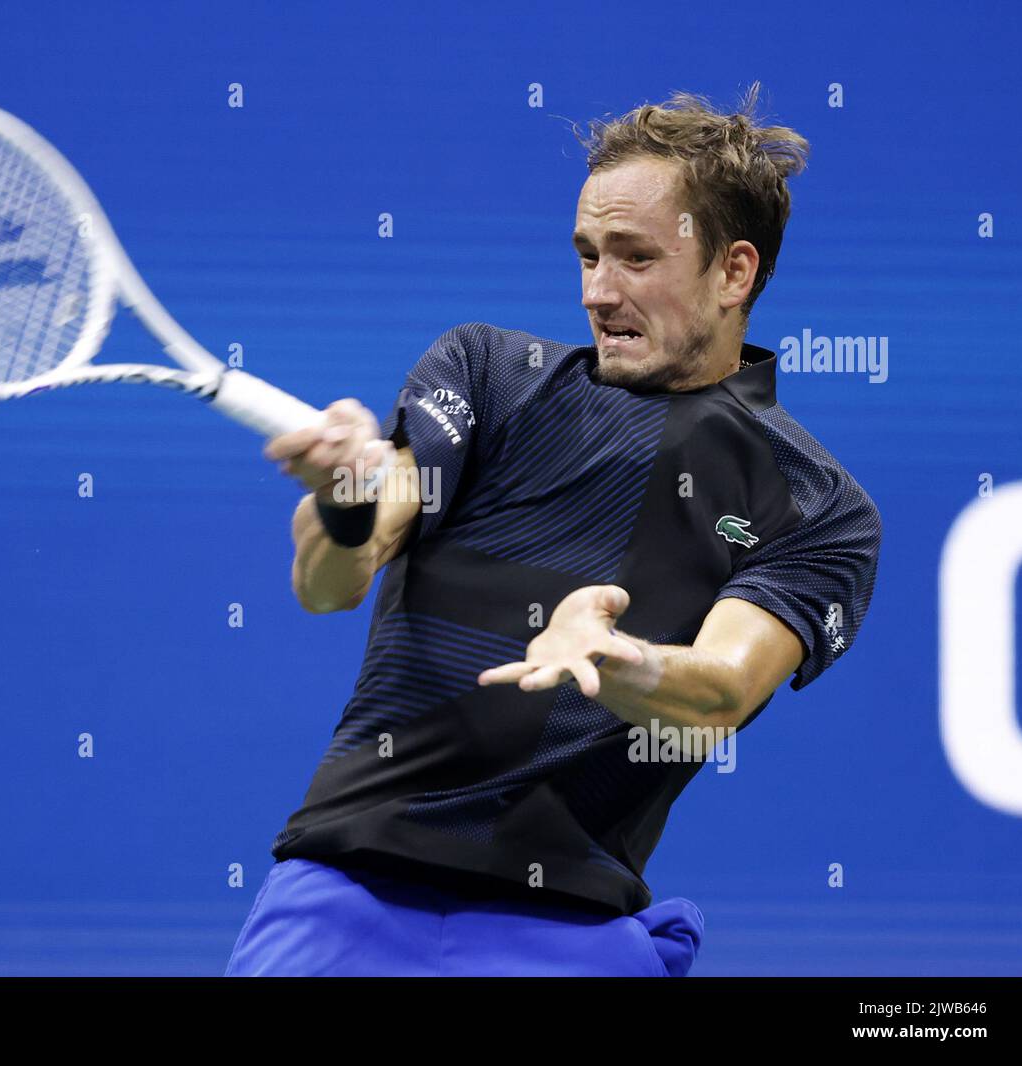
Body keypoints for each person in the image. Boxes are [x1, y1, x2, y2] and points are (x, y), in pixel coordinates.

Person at [228, 85, 881, 977]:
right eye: (586, 257)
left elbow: (725, 688)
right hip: (343, 904)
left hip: (565, 935)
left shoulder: (817, 503)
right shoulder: (489, 374)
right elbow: (334, 580)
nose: (598, 292)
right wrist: (346, 494)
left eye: (635, 258)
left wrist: (612, 659)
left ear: (734, 272)